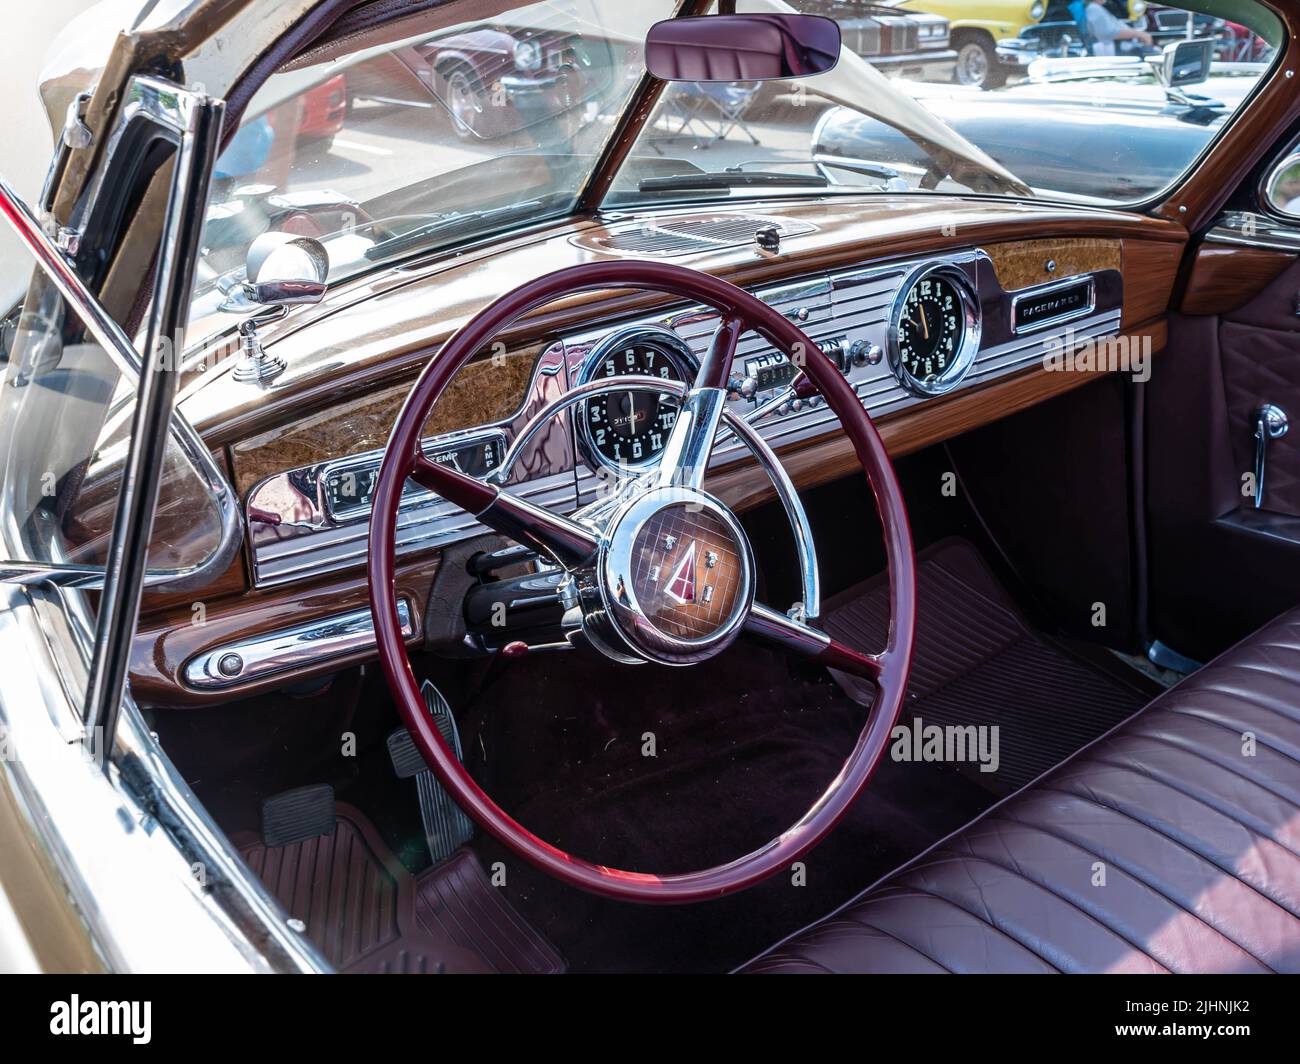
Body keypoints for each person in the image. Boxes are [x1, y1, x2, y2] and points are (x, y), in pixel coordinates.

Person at [1085, 0, 1154, 56]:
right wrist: (1140, 34)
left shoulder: (1099, 8)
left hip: (1121, 46)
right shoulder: (1094, 8)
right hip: (1111, 49)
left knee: (1156, 50)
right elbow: (1107, 33)